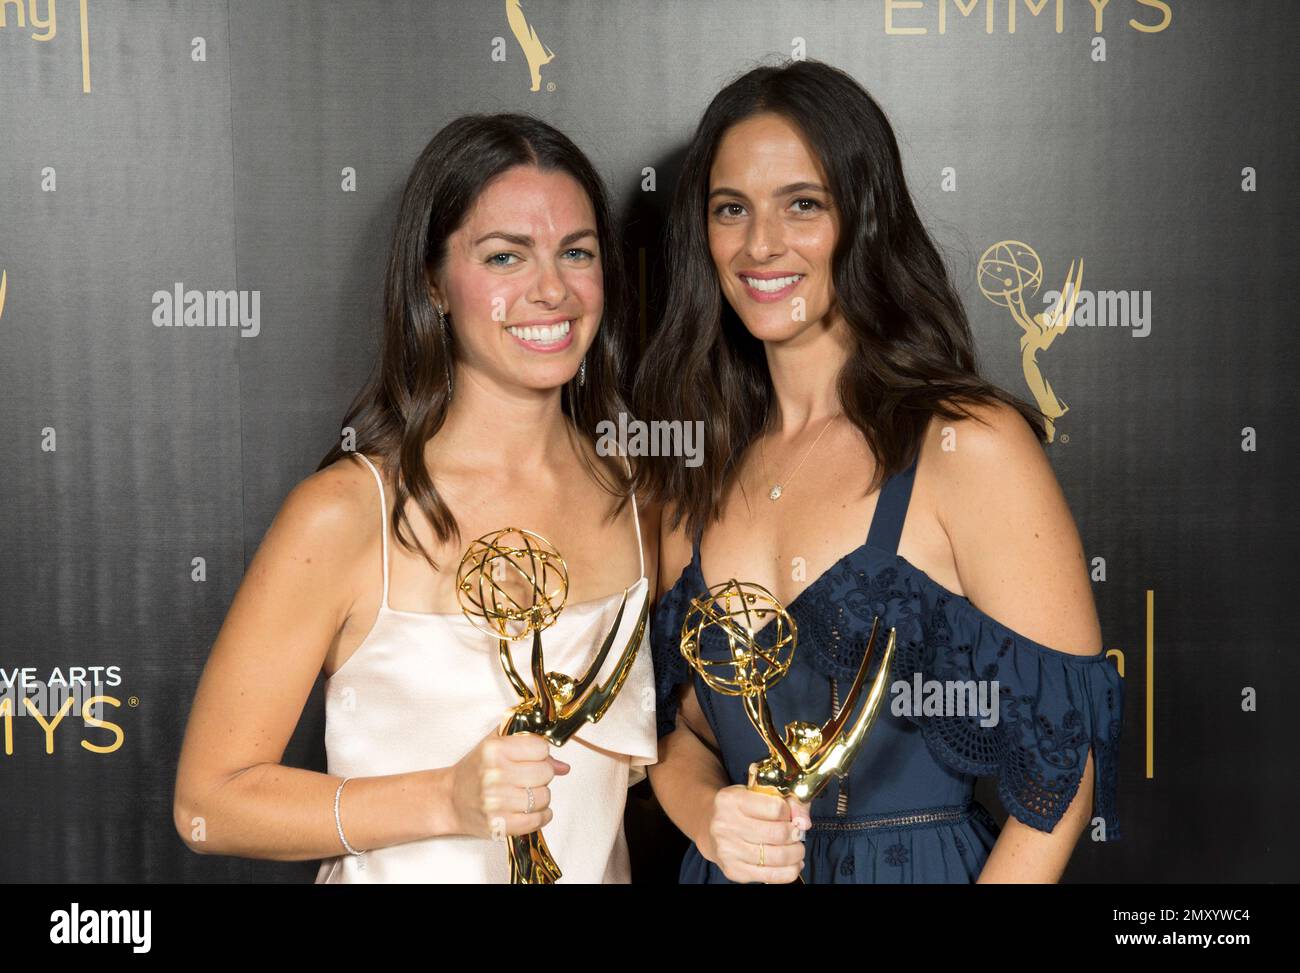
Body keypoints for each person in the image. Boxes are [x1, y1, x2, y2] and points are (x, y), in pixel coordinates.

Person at [634, 59, 1124, 884]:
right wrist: (713, 823)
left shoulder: (969, 445)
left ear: (863, 216)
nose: (761, 244)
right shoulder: (692, 467)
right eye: (731, 210)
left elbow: (1062, 773)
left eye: (803, 204)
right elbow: (684, 736)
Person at [173, 113, 657, 883]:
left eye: (577, 253)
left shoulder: (641, 502)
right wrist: (444, 799)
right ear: (433, 282)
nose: (551, 289)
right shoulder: (344, 512)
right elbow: (209, 803)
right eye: (505, 256)